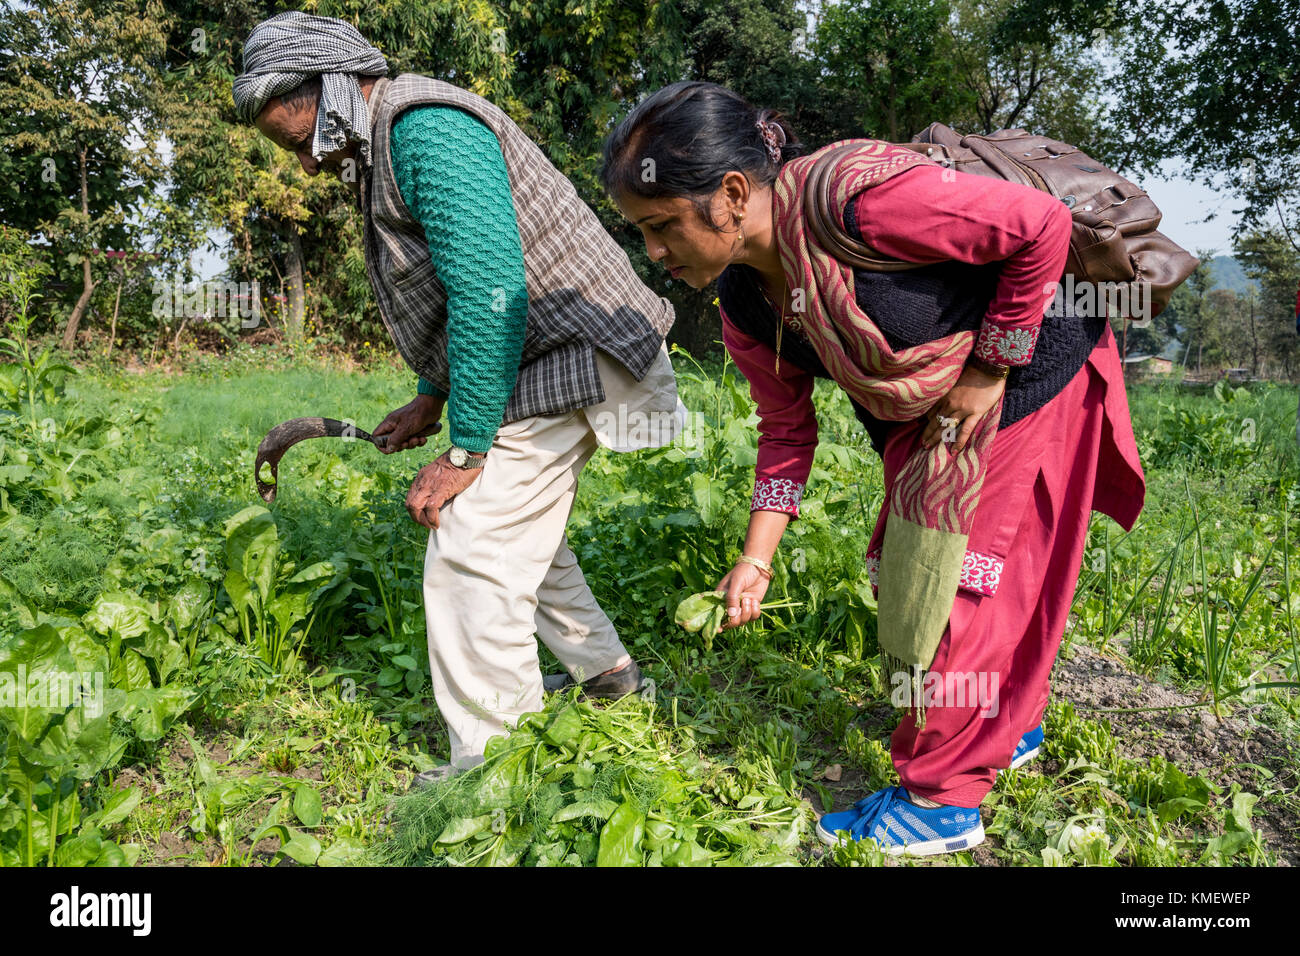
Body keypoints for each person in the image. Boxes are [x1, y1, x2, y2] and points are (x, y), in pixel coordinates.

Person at [601, 81, 1146, 856]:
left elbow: (1041, 227)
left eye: (661, 226)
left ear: (729, 194)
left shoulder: (855, 199)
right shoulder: (748, 305)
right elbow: (786, 432)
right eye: (642, 234)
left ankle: (941, 803)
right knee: (918, 572)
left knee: (957, 580)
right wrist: (756, 559)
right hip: (926, 411)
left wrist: (993, 366)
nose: (655, 254)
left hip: (1028, 366)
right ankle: (1005, 725)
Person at [233, 12, 687, 778]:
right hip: (546, 354)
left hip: (582, 348)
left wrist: (464, 447)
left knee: (472, 544)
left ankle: (493, 770)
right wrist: (429, 397)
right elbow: (455, 289)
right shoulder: (386, 145)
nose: (307, 165)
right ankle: (607, 677)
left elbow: (491, 293)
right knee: (519, 533)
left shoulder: (424, 129)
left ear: (335, 90)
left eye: (299, 138)